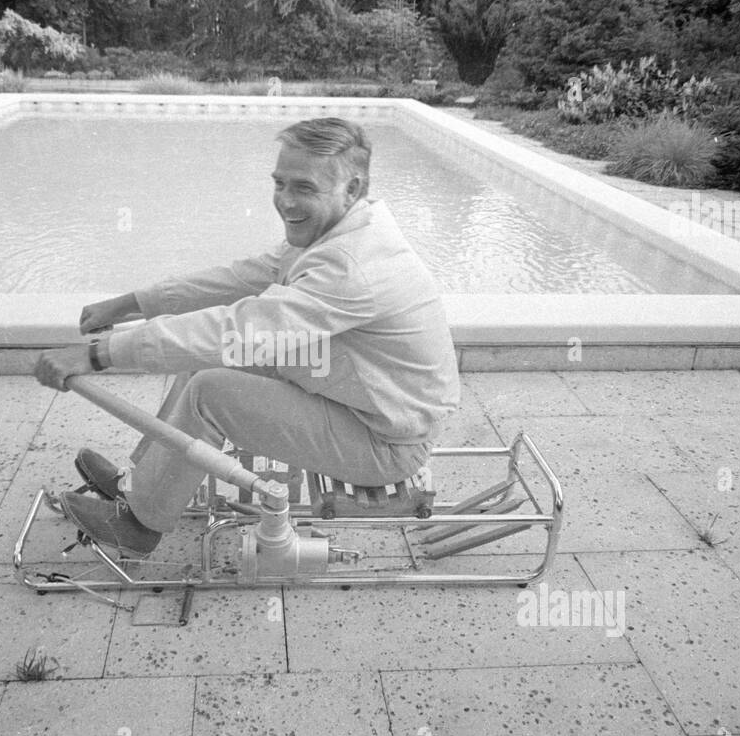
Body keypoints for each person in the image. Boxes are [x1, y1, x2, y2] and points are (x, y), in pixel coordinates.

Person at [34, 117, 460, 555]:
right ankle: (140, 486)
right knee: (208, 360)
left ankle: (141, 525)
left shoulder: (353, 265)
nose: (286, 202)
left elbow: (239, 329)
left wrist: (97, 354)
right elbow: (238, 279)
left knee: (210, 391)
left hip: (386, 443)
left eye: (304, 188)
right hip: (368, 399)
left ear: (351, 189)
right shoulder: (337, 229)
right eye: (280, 183)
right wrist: (130, 302)